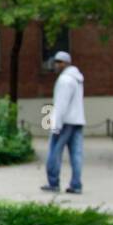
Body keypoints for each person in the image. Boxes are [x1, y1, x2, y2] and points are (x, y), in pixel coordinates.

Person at [40, 50, 85, 193]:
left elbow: (61, 104)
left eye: (58, 62)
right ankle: (76, 184)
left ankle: (53, 182)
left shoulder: (64, 80)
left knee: (54, 151)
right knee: (76, 154)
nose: (55, 65)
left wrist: (55, 125)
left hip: (64, 121)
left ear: (65, 63)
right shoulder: (77, 78)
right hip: (77, 120)